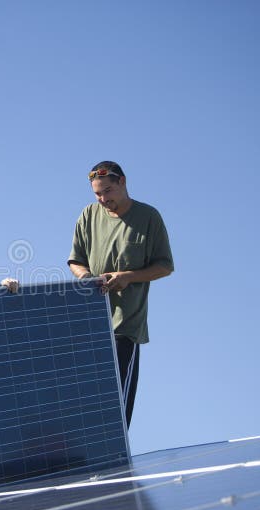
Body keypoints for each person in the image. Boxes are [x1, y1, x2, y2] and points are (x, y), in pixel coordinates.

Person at [67, 161, 174, 428]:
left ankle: (115, 463)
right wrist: (86, 278)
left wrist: (128, 277)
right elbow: (75, 261)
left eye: (108, 191)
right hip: (90, 324)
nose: (103, 199)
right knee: (84, 401)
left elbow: (165, 265)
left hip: (124, 325)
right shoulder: (88, 215)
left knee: (116, 406)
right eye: (97, 194)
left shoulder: (149, 217)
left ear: (123, 182)